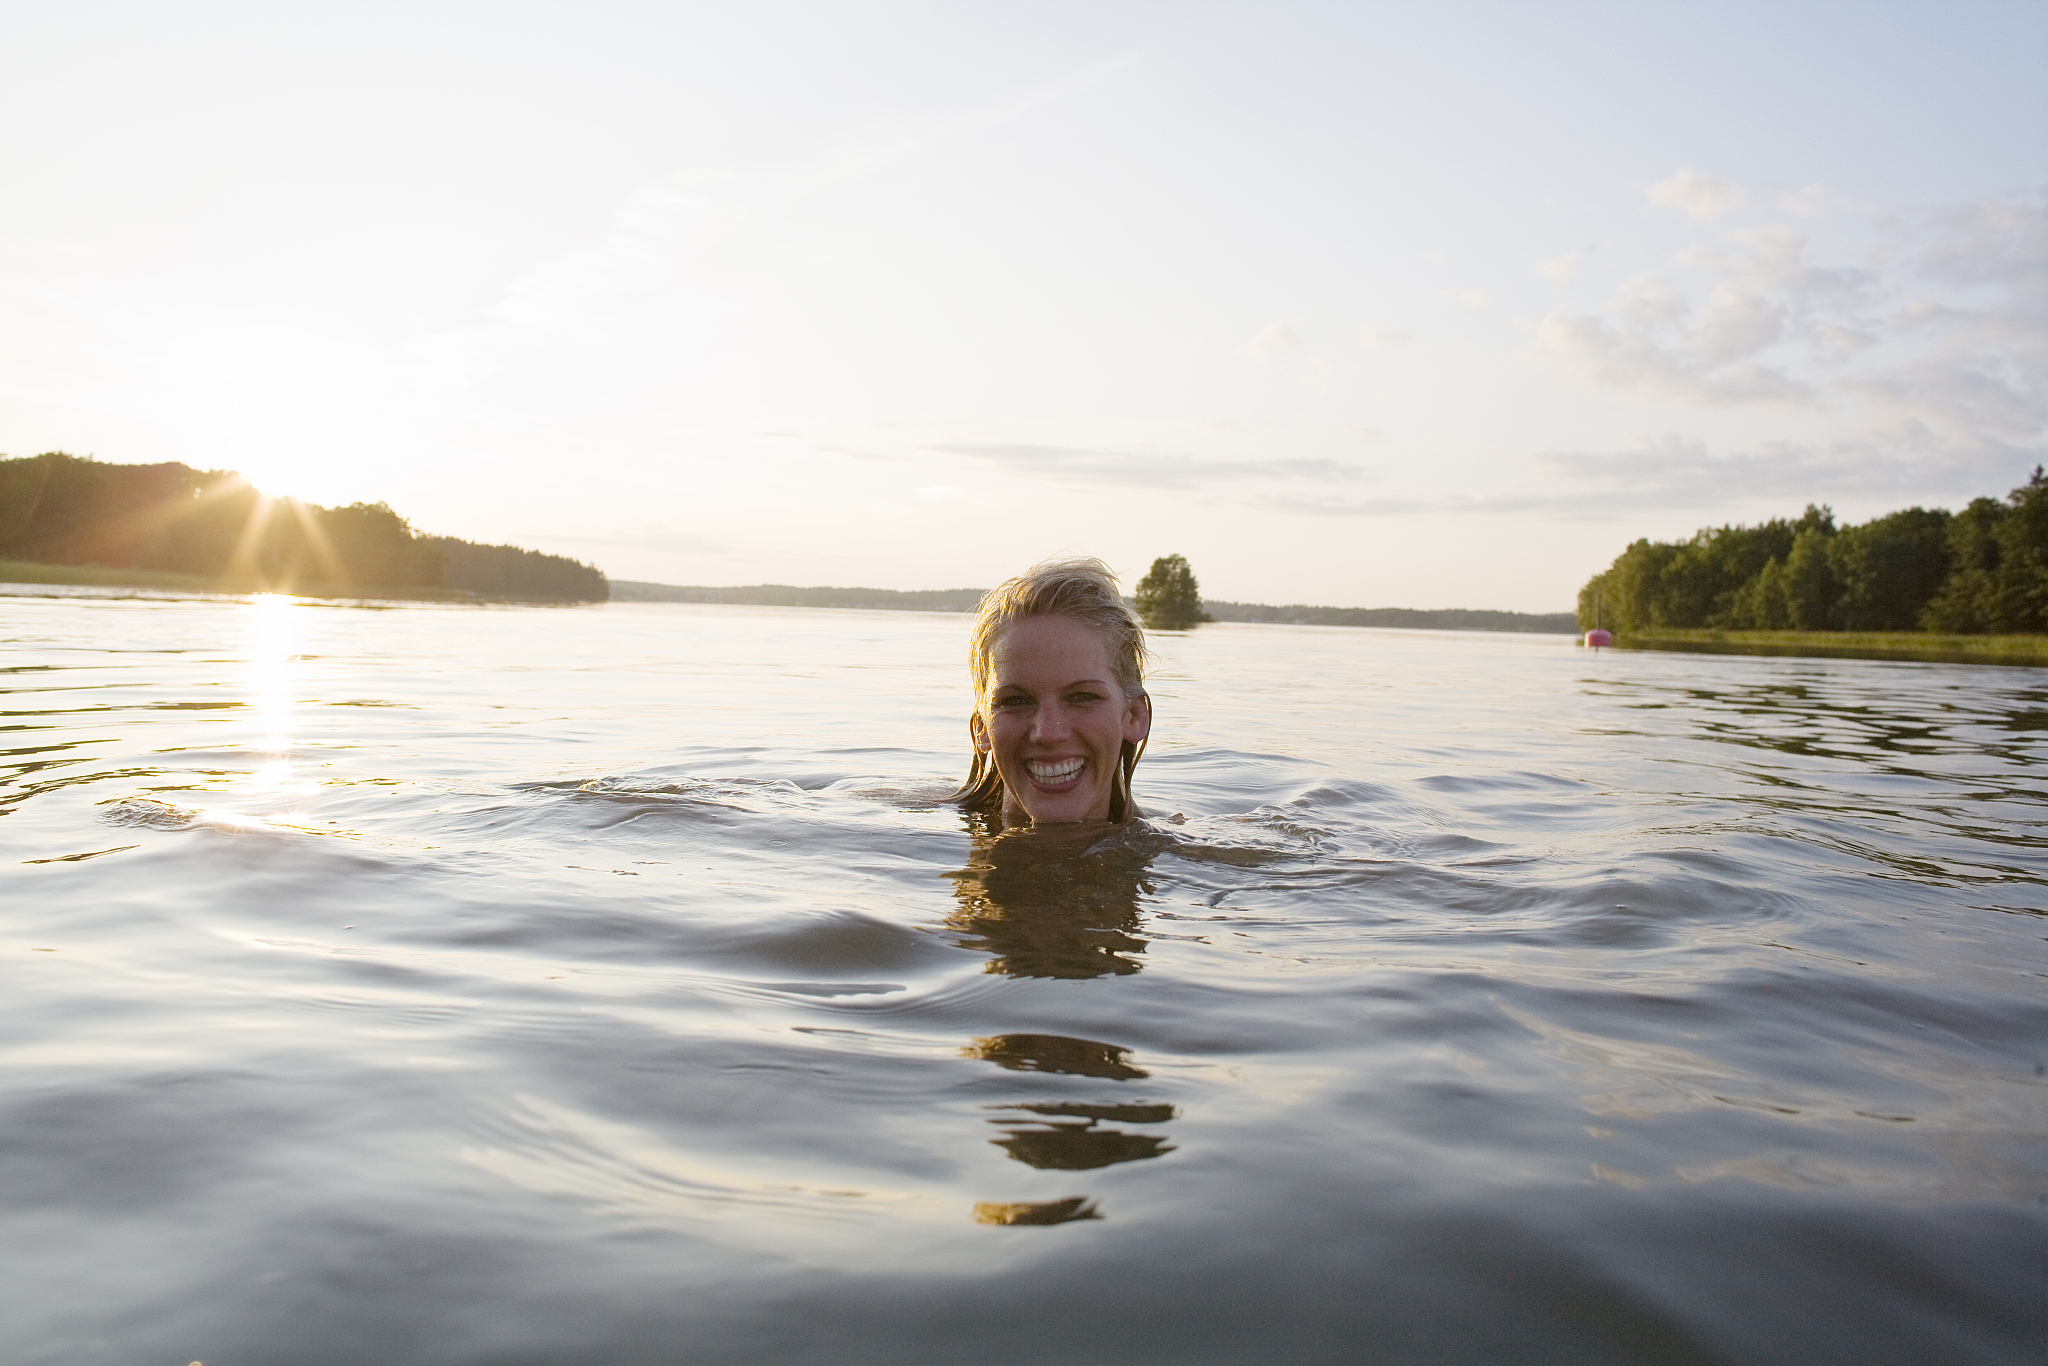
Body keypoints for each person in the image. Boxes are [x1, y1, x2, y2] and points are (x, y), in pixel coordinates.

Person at [952, 556, 1153, 827]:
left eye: (1082, 697)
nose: (1048, 733)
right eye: (1015, 701)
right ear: (982, 729)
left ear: (1134, 716)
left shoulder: (1197, 857)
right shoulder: (908, 841)